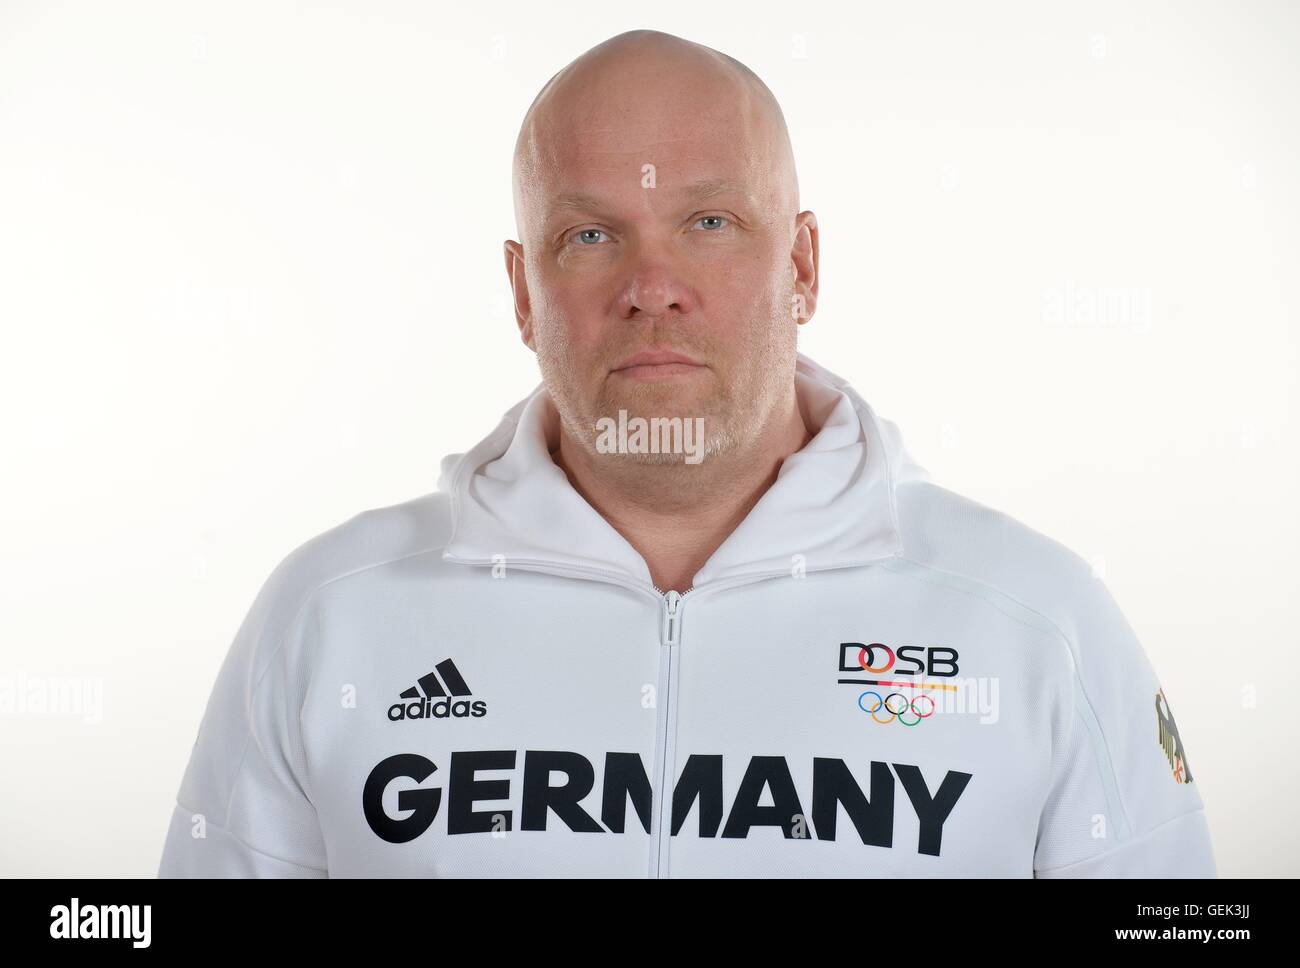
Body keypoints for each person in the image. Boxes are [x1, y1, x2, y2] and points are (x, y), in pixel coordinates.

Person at [158, 29, 1215, 877]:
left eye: (708, 221)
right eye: (589, 234)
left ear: (800, 263)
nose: (650, 283)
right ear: (523, 291)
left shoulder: (1033, 621)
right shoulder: (331, 618)